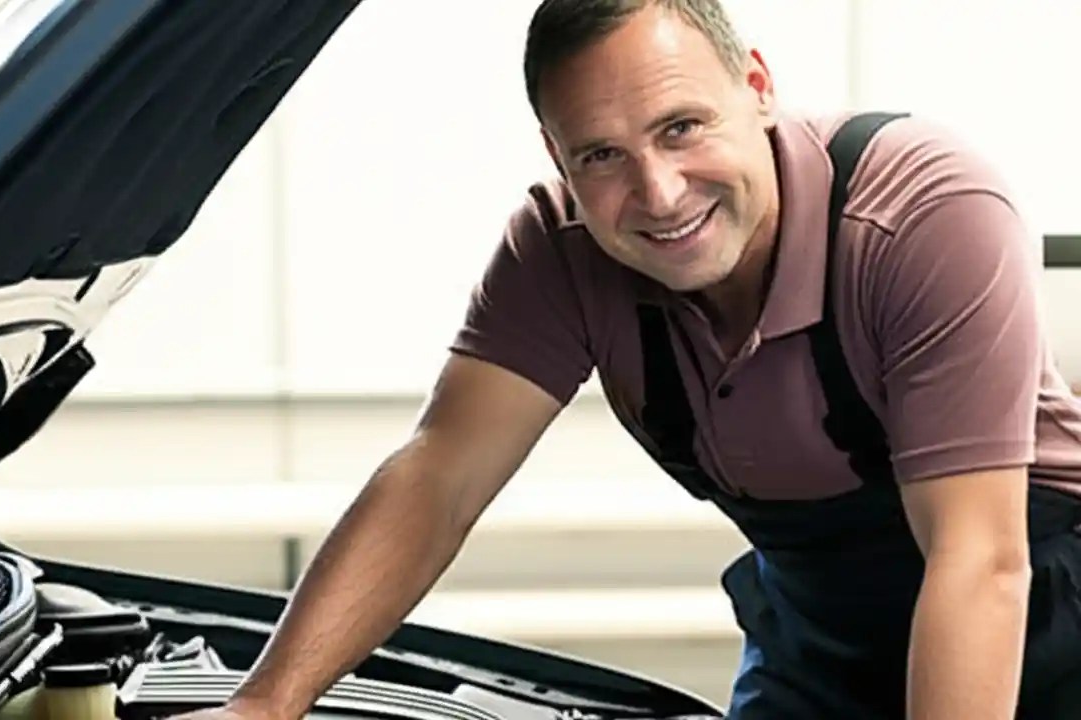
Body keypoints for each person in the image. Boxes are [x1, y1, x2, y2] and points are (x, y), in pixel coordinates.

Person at [172, 1, 1081, 718]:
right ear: (557, 157)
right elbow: (438, 476)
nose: (657, 192)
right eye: (603, 154)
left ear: (757, 85)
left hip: (1042, 615)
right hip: (818, 636)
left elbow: (978, 562)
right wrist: (263, 704)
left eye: (682, 127)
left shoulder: (920, 212)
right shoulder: (557, 252)